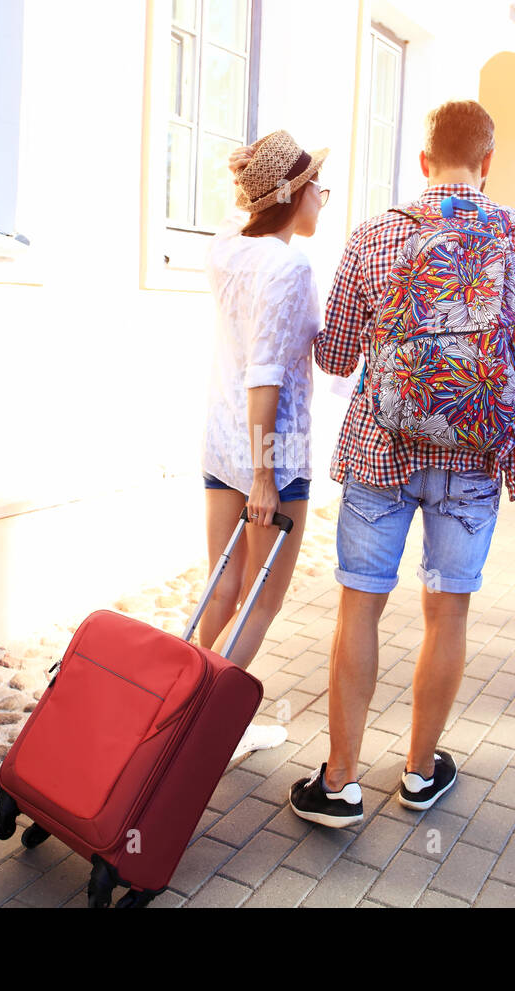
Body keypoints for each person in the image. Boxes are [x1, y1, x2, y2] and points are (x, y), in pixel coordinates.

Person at [238, 100, 515, 827]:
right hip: (476, 461)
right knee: (445, 609)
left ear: (423, 162)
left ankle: (339, 784)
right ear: (488, 164)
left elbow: (333, 356)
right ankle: (421, 775)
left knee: (360, 604)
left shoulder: (375, 236)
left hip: (379, 449)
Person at [202, 129, 331, 758]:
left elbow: (238, 213)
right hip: (270, 455)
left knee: (224, 587)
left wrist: (244, 180)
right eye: (318, 190)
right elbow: (266, 373)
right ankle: (201, 729)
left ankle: (192, 710)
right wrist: (264, 476)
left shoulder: (228, 246)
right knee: (262, 599)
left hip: (221, 440)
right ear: (295, 194)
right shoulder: (288, 264)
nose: (323, 202)